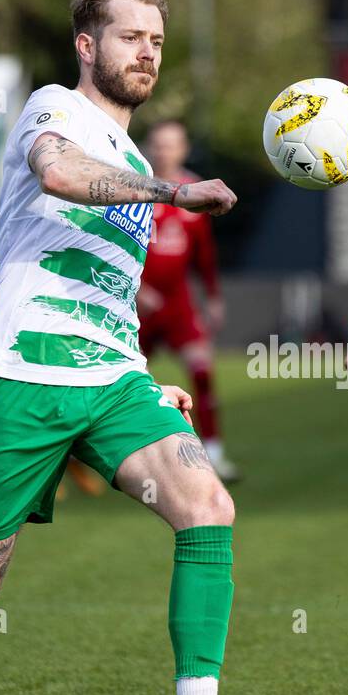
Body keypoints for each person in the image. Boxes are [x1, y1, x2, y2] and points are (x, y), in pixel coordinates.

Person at [0, 0, 290, 695]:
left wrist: (145, 380)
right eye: (128, 36)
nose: (145, 52)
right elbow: (59, 174)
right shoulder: (55, 110)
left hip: (111, 380)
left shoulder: (139, 158)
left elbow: (111, 298)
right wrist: (174, 193)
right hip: (19, 375)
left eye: (155, 40)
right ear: (87, 46)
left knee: (208, 503)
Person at [140, 119, 239, 481]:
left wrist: (213, 296)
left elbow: (204, 254)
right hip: (136, 306)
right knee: (122, 383)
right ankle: (124, 458)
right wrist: (135, 287)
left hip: (178, 302)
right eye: (159, 144)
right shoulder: (134, 187)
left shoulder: (195, 190)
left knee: (201, 371)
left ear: (183, 149)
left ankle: (213, 455)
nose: (165, 151)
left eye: (172, 144)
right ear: (149, 147)